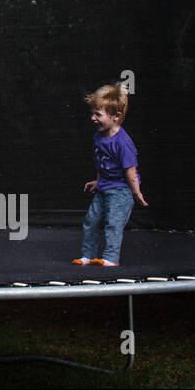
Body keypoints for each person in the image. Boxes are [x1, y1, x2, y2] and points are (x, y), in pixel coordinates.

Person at [72, 83, 148, 267]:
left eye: (98, 115)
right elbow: (101, 162)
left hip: (122, 190)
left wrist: (136, 193)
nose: (93, 118)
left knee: (113, 223)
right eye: (92, 113)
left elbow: (130, 171)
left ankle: (110, 258)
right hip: (104, 187)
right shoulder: (98, 137)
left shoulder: (123, 142)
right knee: (91, 221)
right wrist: (98, 181)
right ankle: (88, 255)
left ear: (116, 116)